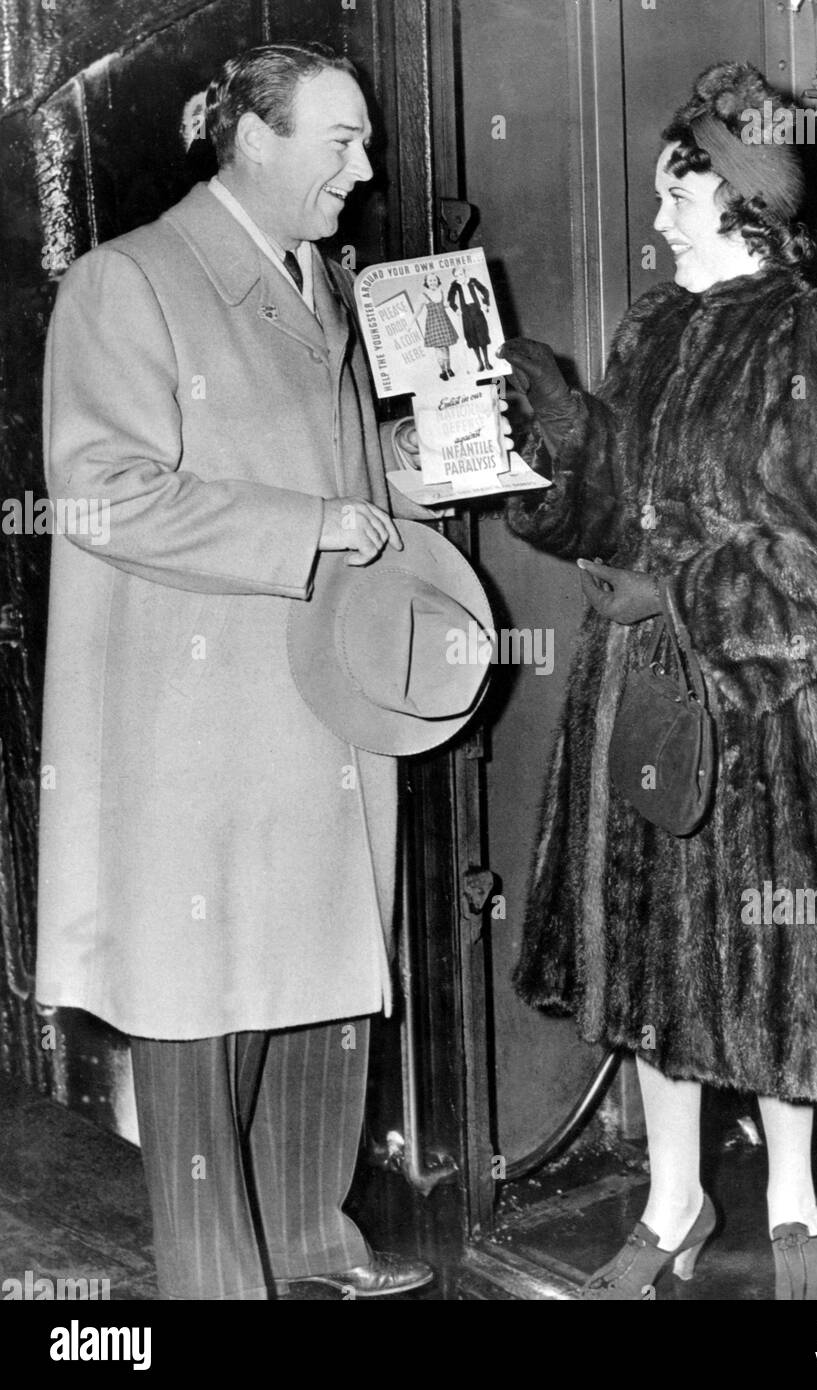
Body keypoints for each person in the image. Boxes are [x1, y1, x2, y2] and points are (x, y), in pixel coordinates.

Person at [36, 42, 438, 1301]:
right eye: (341, 141)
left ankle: (311, 1236)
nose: (364, 171)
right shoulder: (130, 281)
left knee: (323, 966)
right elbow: (102, 498)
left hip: (322, 700)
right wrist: (306, 526)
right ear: (254, 142)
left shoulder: (325, 285)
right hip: (200, 720)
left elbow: (347, 488)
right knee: (200, 1000)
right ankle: (214, 1286)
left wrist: (416, 480)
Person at [500, 61, 817, 1301]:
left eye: (676, 194)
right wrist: (559, 444)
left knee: (769, 970)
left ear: (738, 201)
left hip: (761, 705)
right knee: (645, 966)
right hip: (633, 694)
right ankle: (671, 1201)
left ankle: (788, 1205)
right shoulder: (652, 330)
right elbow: (605, 506)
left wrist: (679, 600)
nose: (656, 218)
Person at [448, 266, 493, 371]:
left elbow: (485, 290)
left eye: (461, 274)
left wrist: (485, 303)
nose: (460, 277)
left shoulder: (472, 281)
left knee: (482, 336)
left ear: (465, 273)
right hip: (466, 313)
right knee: (472, 338)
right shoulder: (455, 285)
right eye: (457, 275)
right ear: (455, 277)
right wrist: (456, 309)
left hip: (476, 310)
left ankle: (487, 361)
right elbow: (450, 300)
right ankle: (480, 363)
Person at [418, 272, 459, 379]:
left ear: (438, 281)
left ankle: (449, 368)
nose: (432, 282)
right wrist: (409, 325)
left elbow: (446, 305)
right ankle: (443, 371)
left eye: (434, 280)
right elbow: (417, 311)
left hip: (444, 322)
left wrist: (451, 306)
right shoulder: (423, 295)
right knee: (438, 349)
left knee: (446, 347)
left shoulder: (442, 292)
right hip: (433, 324)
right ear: (426, 282)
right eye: (430, 280)